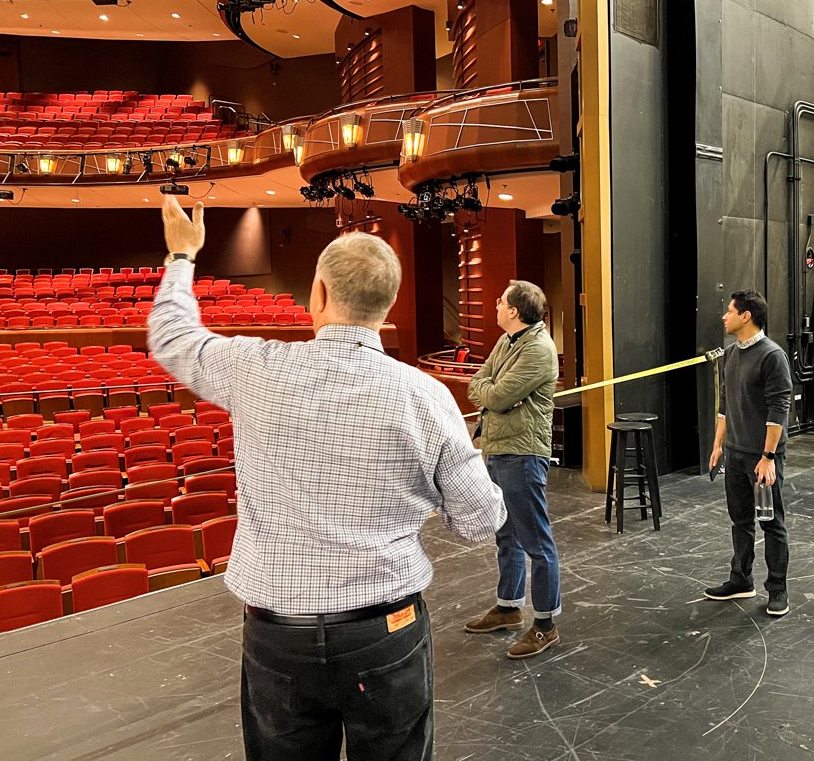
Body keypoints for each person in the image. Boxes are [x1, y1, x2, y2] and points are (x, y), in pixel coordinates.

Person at [148, 197, 507, 760]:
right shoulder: (427, 397)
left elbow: (171, 336)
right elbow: (480, 522)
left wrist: (181, 254)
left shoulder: (254, 368)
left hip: (276, 634)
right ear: (387, 305)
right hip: (385, 631)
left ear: (316, 295)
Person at [464, 280, 562, 659]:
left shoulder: (538, 349)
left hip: (523, 453)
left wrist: (491, 392)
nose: (495, 302)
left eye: (501, 300)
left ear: (515, 312)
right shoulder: (507, 342)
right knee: (506, 534)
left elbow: (497, 395)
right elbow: (479, 383)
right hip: (499, 447)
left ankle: (546, 625)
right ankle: (508, 608)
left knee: (537, 543)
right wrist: (490, 391)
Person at [705, 290, 793, 617]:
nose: (724, 316)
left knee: (771, 523)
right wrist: (717, 446)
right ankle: (740, 579)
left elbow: (778, 409)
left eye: (729, 311)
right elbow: (725, 406)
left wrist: (768, 457)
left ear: (746, 316)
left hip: (762, 458)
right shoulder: (730, 354)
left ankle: (777, 589)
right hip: (735, 453)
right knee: (740, 521)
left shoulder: (772, 356)